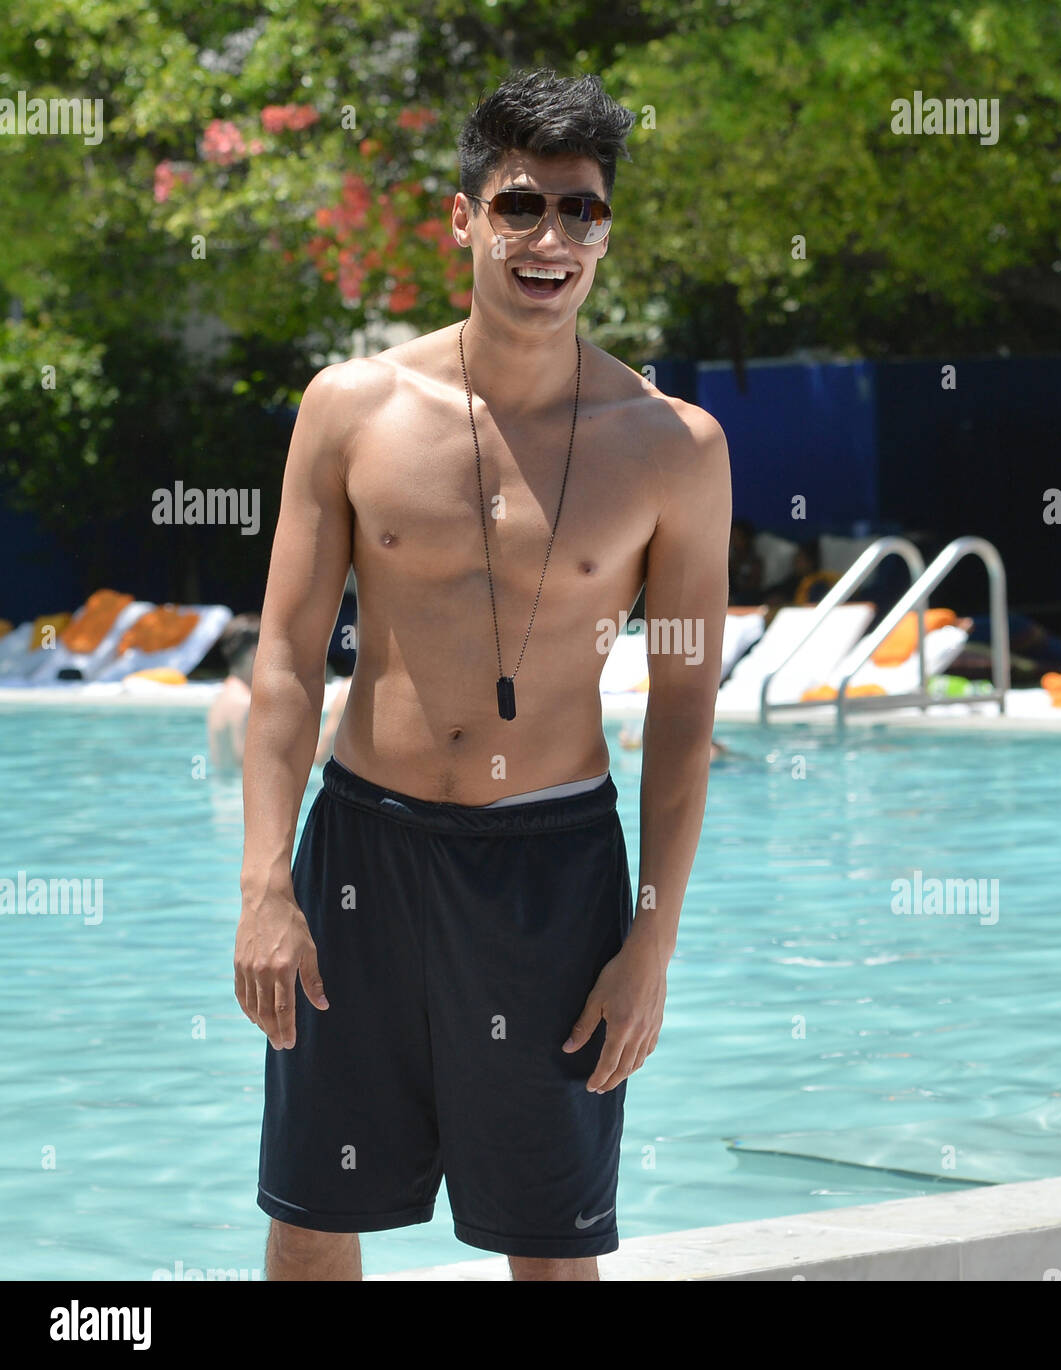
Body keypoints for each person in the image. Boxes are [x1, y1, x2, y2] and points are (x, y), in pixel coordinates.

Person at [233, 69, 731, 1283]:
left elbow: (683, 712)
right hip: (365, 849)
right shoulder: (352, 409)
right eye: (520, 207)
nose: (550, 239)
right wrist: (265, 881)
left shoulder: (674, 448)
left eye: (580, 211)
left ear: (606, 231)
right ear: (462, 220)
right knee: (310, 1219)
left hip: (552, 871)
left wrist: (650, 942)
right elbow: (290, 660)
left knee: (551, 1246)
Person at [206, 613, 260, 772]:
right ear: (254, 651)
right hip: (238, 795)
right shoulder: (244, 703)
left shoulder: (222, 698)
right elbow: (249, 768)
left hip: (223, 793)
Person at [727, 518, 766, 605]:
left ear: (746, 538)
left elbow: (753, 586)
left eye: (737, 536)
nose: (734, 540)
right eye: (732, 536)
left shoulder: (755, 562)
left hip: (747, 600)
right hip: (729, 596)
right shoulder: (728, 560)